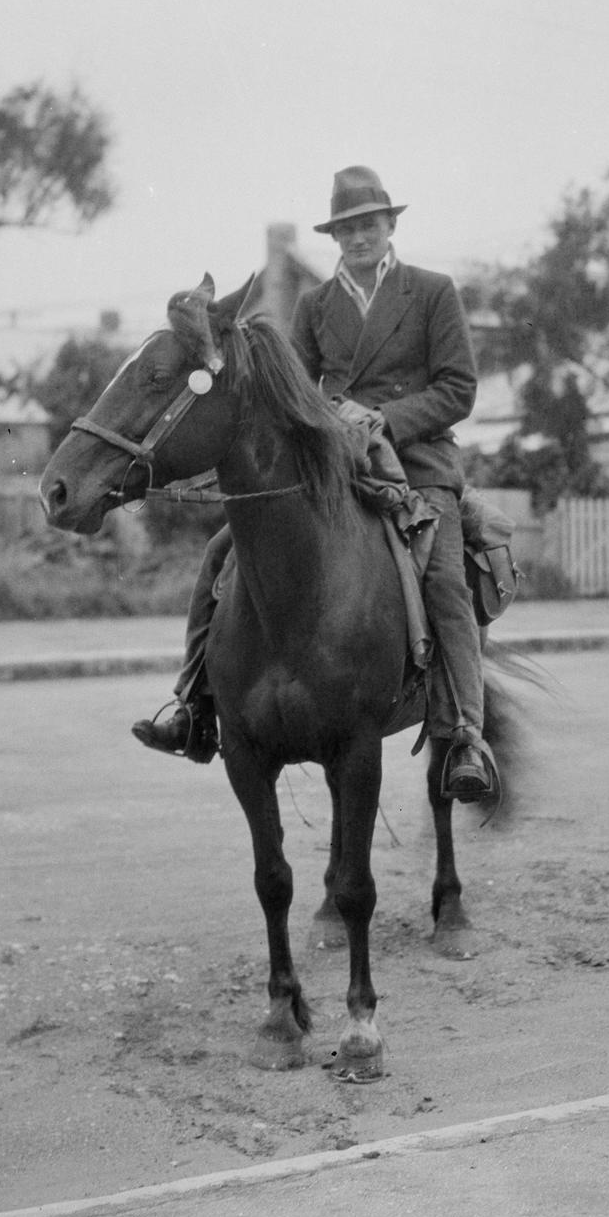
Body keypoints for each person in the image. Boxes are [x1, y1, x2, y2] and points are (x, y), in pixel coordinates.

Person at [132, 166, 496, 803]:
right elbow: (292, 392)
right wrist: (329, 424)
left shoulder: (433, 292)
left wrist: (387, 416)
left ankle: (465, 729)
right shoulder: (314, 305)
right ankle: (193, 703)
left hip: (419, 463)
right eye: (347, 228)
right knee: (224, 551)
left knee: (443, 579)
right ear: (335, 236)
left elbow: (458, 388)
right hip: (338, 462)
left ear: (390, 227)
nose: (359, 237)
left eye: (369, 225)